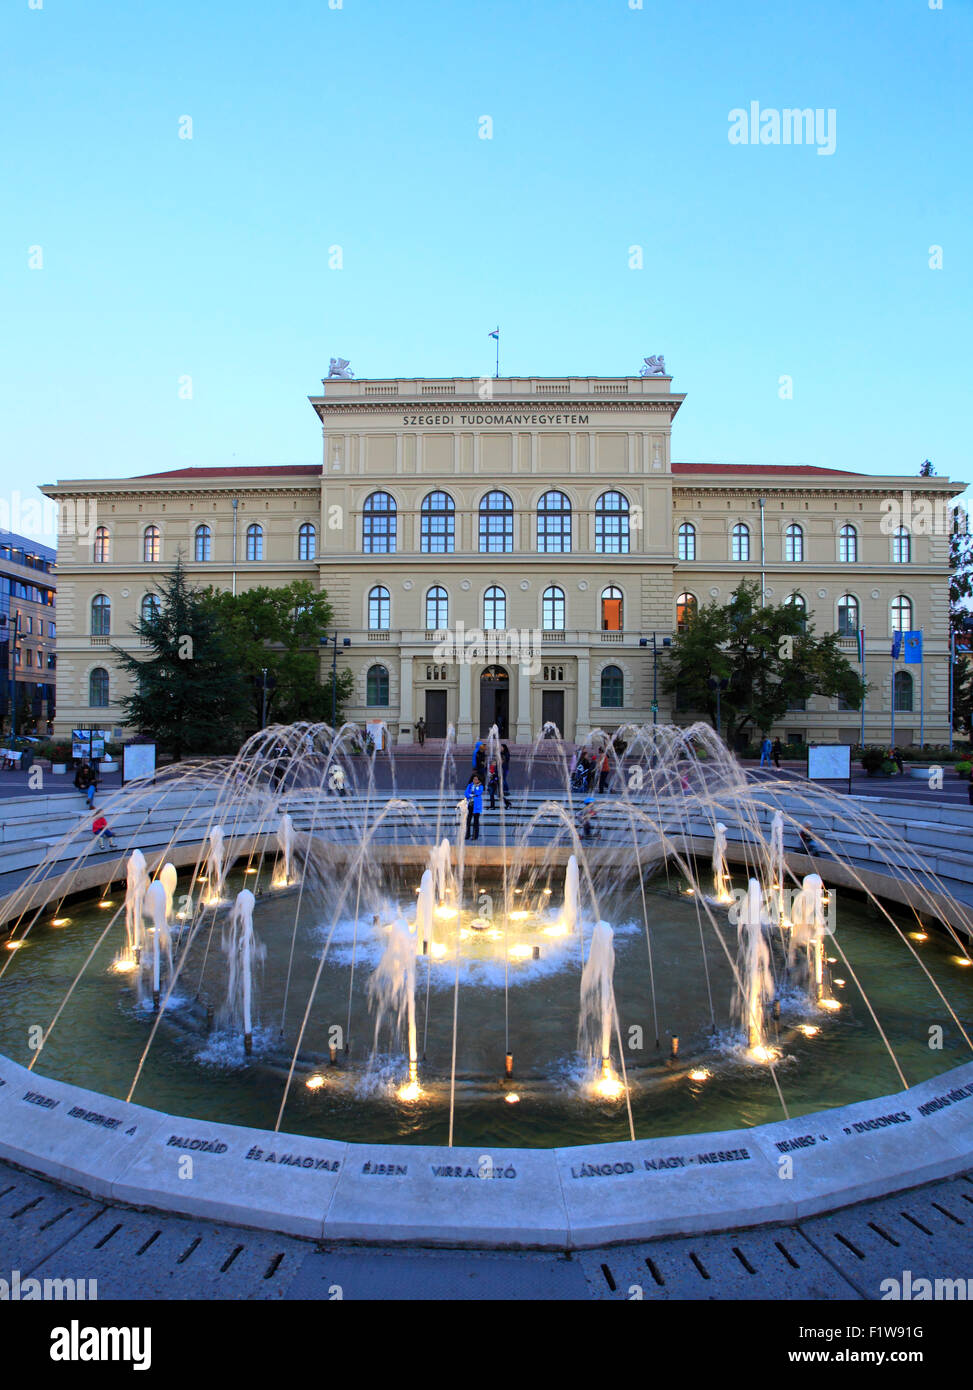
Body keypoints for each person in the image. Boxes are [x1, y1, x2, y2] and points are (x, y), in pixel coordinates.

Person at [464, 773, 483, 841]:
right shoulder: (470, 785)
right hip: (470, 805)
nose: (475, 780)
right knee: (468, 821)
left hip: (477, 806)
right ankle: (467, 835)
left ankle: (475, 836)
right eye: (474, 779)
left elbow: (478, 793)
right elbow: (466, 793)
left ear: (479, 780)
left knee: (475, 822)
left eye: (476, 779)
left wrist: (472, 793)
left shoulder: (480, 786)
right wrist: (471, 795)